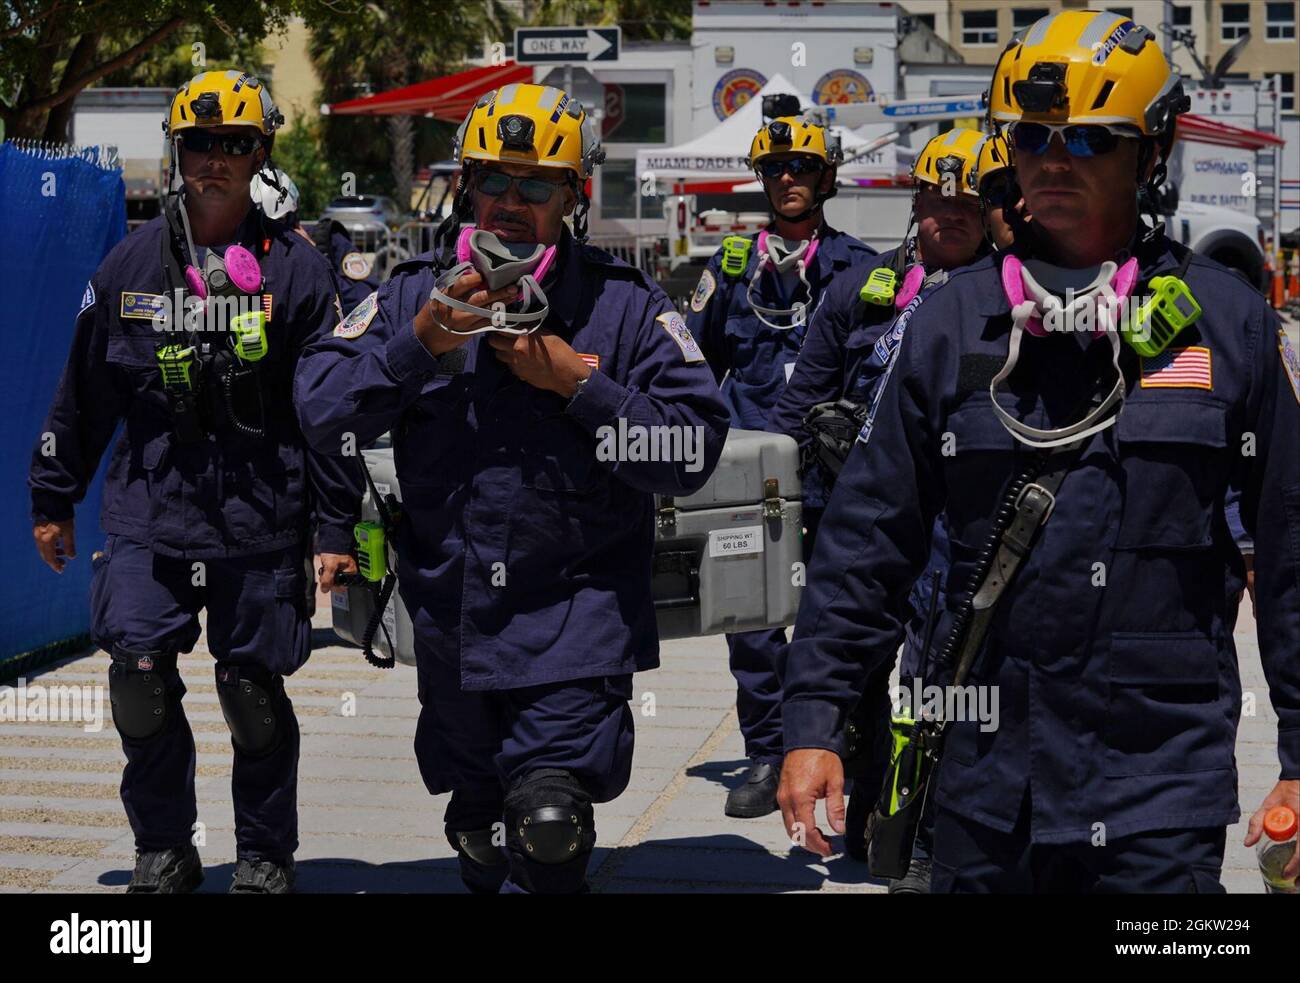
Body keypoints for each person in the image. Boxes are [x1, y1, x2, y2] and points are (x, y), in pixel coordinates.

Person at [777, 9, 1300, 892]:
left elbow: (1290, 551)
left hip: (1159, 789)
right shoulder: (948, 326)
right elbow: (867, 540)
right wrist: (815, 722)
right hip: (986, 781)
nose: (1055, 162)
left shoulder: (1230, 325)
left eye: (1091, 140)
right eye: (1031, 137)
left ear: (1150, 152)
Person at [293, 82, 730, 894]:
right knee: (483, 833)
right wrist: (420, 343)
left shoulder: (623, 306)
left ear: (574, 197)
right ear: (465, 187)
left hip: (576, 620)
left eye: (537, 186)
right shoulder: (410, 292)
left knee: (550, 827)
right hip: (454, 625)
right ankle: (478, 825)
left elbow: (693, 444)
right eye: (493, 180)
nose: (511, 203)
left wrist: (578, 384)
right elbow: (320, 408)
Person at [29, 70, 362, 894]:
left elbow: (327, 413)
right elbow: (83, 393)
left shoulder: (299, 273)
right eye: (198, 144)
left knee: (250, 692)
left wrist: (334, 529)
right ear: (176, 152)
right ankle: (164, 847)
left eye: (235, 145)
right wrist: (51, 495)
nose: (215, 160)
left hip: (259, 517)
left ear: (260, 156)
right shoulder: (127, 269)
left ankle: (263, 853)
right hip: (150, 515)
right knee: (137, 681)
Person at [768, 127, 989, 883]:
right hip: (859, 518)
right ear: (915, 202)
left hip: (959, 533)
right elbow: (796, 403)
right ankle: (864, 809)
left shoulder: (1008, 302)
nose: (949, 215)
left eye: (968, 201)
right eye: (935, 198)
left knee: (940, 690)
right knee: (854, 685)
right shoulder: (859, 288)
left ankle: (925, 839)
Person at [685, 112, 874, 818]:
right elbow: (693, 370)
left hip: (834, 476)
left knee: (837, 616)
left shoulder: (863, 269)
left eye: (801, 167)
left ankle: (838, 739)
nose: (787, 178)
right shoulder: (731, 267)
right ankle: (767, 749)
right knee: (752, 623)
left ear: (827, 176)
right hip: (749, 482)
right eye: (774, 169)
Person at [250, 167, 379, 316]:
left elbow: (367, 299)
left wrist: (317, 261)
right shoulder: (244, 255)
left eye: (281, 224)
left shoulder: (327, 240)